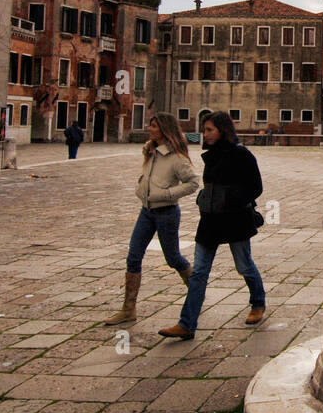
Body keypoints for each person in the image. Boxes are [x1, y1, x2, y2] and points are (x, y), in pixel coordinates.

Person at [162, 111, 267, 335]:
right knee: (199, 272)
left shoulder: (241, 154)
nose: (205, 134)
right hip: (210, 220)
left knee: (244, 265)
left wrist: (230, 199)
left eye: (210, 130)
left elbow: (256, 187)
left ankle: (258, 302)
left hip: (235, 219)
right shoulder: (211, 155)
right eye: (204, 130)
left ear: (222, 130)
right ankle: (186, 324)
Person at [105, 114, 199, 326]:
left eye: (154, 126)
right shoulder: (150, 151)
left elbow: (193, 183)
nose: (149, 128)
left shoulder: (176, 158)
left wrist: (167, 194)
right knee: (133, 256)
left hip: (167, 212)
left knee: (173, 258)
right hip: (146, 211)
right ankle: (128, 309)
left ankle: (197, 294)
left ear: (164, 129)